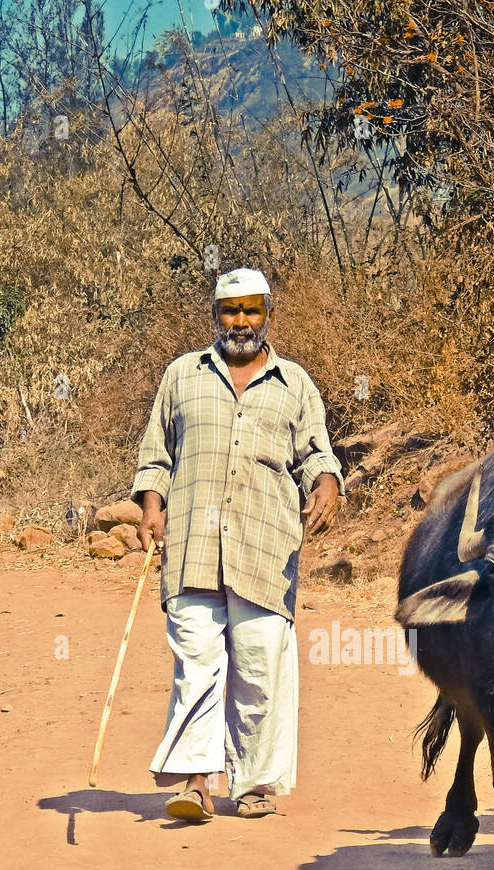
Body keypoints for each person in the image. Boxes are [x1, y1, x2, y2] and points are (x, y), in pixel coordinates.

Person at [132, 267, 343, 821]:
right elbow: (157, 454)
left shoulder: (295, 383)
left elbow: (316, 453)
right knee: (196, 664)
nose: (241, 321)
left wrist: (326, 483)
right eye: (231, 310)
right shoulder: (182, 375)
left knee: (258, 667)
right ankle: (196, 781)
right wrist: (152, 505)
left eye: (251, 310)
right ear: (216, 315)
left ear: (267, 313)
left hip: (265, 550)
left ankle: (252, 784)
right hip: (192, 548)